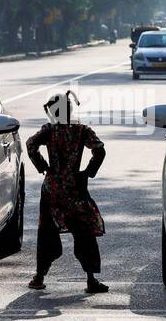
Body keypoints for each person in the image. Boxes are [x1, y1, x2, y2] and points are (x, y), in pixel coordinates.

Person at [25, 90, 108, 293]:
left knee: (46, 231)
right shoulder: (82, 130)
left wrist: (43, 166)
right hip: (74, 188)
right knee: (84, 233)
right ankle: (90, 280)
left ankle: (39, 277)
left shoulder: (49, 130)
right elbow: (100, 150)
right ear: (70, 110)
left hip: (52, 188)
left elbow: (30, 144)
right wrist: (87, 172)